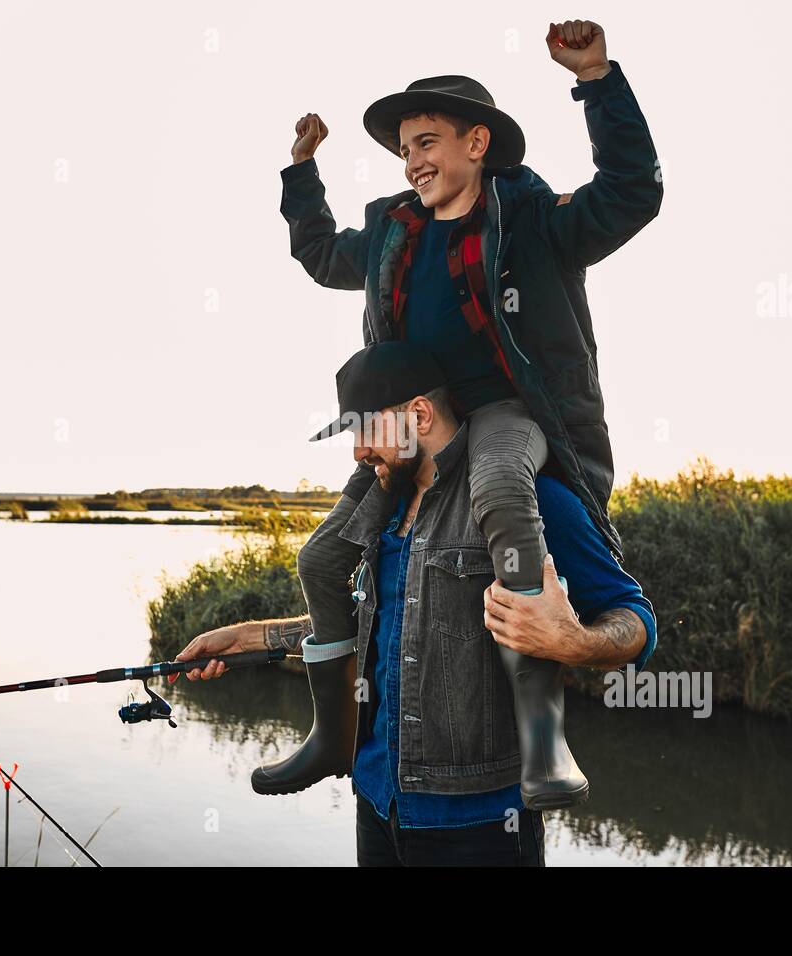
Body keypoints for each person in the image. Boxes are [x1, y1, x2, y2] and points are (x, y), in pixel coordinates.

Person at [276, 19, 662, 805]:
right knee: (320, 559)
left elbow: (632, 194)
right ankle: (331, 734)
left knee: (495, 485)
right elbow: (320, 257)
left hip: (511, 421)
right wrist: (302, 171)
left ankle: (542, 742)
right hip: (420, 430)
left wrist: (596, 79)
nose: (413, 160)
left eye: (427, 142)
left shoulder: (531, 219)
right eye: (404, 150)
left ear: (476, 142)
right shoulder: (391, 233)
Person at [173, 342, 657, 866]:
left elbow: (635, 619)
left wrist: (575, 642)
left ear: (419, 414)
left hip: (480, 825)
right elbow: (391, 624)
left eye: (363, 431)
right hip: (378, 807)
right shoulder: (386, 506)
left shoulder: (533, 499)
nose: (358, 452)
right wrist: (253, 637)